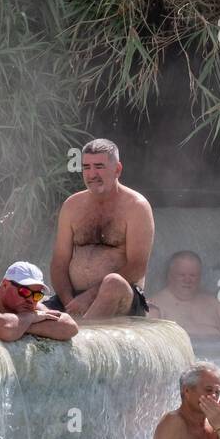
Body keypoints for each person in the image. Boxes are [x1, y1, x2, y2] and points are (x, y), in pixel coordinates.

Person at [45, 138, 155, 321]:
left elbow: (137, 267)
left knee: (113, 283)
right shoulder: (72, 205)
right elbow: (59, 262)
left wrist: (89, 296)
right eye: (86, 167)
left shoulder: (136, 206)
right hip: (74, 298)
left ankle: (82, 339)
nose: (91, 174)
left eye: (99, 166)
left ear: (117, 169)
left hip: (121, 295)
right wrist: (68, 301)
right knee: (29, 306)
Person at [149, 251, 220, 336]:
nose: (187, 280)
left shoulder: (213, 303)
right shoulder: (154, 305)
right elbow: (150, 343)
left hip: (215, 351)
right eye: (182, 275)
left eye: (193, 275)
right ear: (170, 276)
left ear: (200, 278)